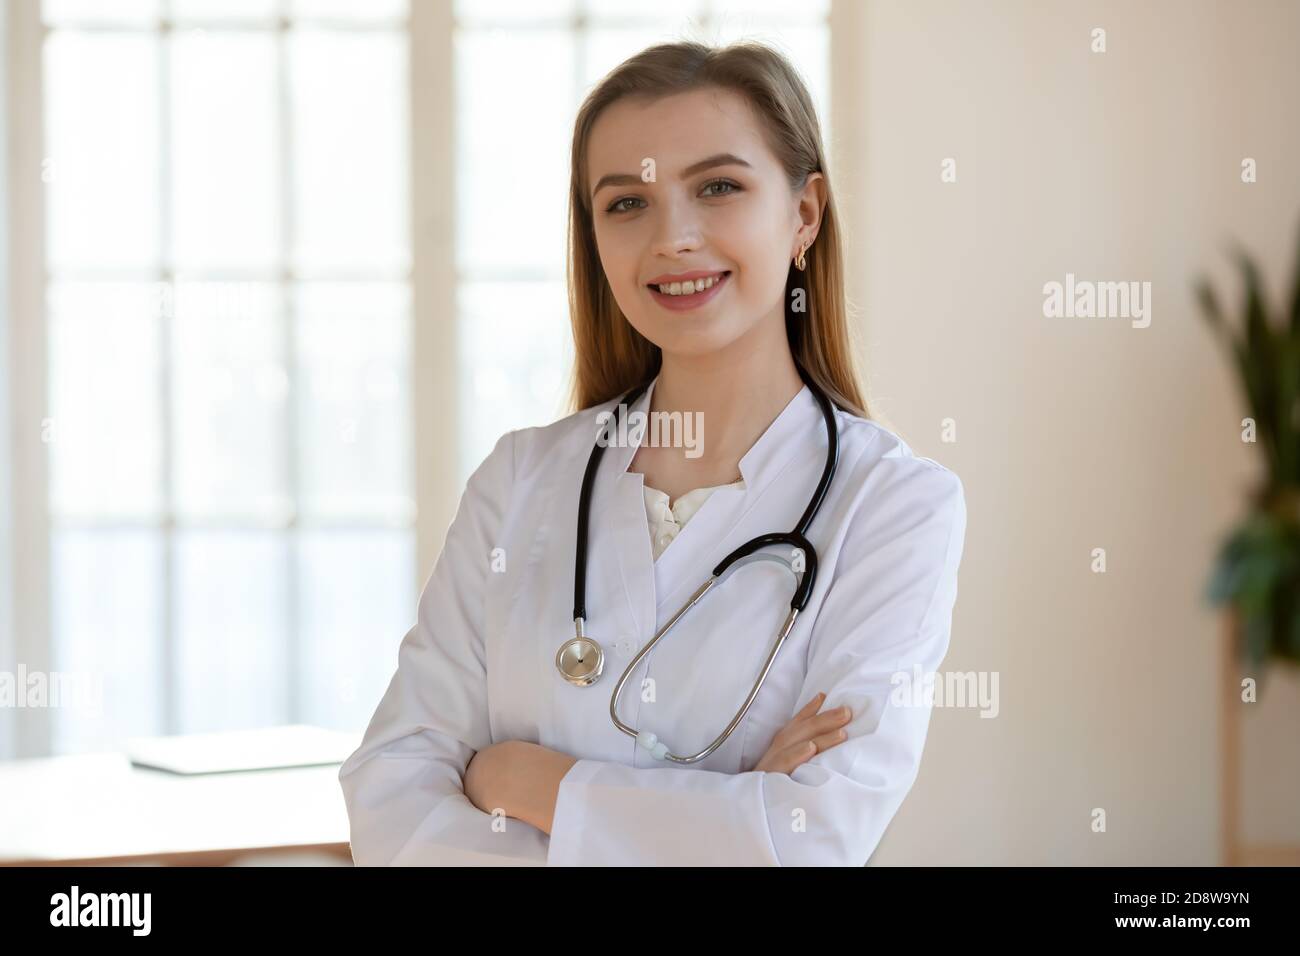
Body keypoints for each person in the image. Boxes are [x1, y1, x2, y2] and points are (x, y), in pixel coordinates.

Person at [338, 39, 967, 866]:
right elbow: (391, 789)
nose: (674, 237)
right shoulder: (519, 482)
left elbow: (815, 835)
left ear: (804, 215)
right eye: (626, 203)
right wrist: (731, 812)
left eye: (718, 187)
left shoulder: (892, 506)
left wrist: (529, 783)